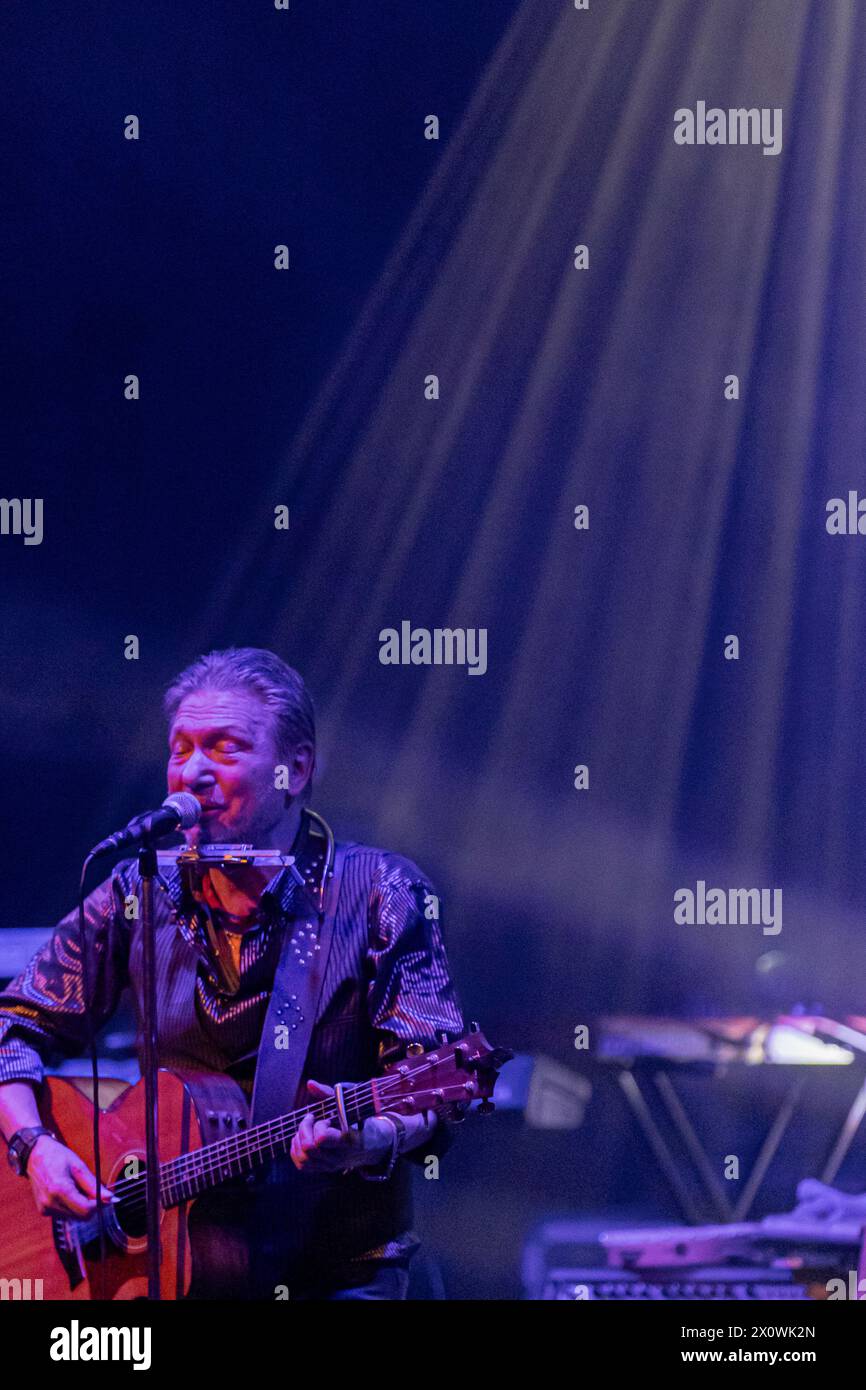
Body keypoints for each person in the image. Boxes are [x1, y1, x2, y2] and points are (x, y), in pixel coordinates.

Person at [0, 647, 466, 1299]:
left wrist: (368, 1140)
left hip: (333, 1271)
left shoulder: (377, 892)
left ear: (294, 768)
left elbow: (437, 1086)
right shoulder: (139, 889)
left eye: (223, 748)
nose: (191, 772)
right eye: (180, 748)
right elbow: (12, 1033)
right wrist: (35, 1148)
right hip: (170, 1275)